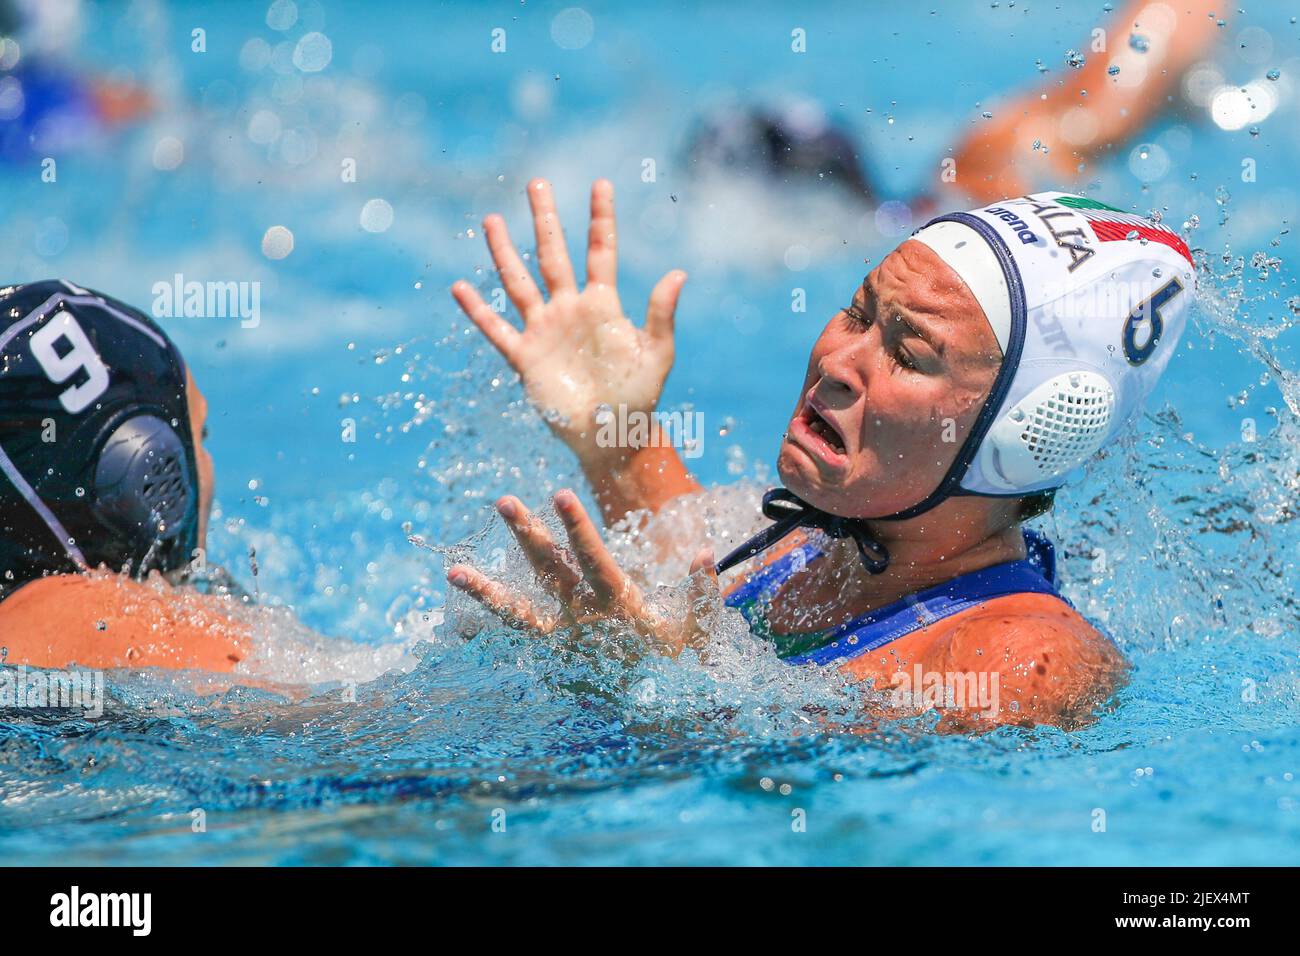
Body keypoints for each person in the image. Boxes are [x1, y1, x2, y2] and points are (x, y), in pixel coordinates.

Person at [445, 177, 1196, 729]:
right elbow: (672, 566)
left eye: (907, 352)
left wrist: (653, 690)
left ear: (1023, 434)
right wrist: (613, 428)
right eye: (858, 312)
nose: (839, 359)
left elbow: (821, 802)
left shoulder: (1020, 660)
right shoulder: (815, 542)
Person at [687, 0, 1223, 211]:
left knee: (1095, 112)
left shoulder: (979, 175)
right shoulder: (969, 170)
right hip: (981, 174)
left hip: (1000, 171)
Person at [0, 280, 247, 670]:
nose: (209, 464)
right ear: (147, 467)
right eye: (199, 436)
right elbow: (341, 714)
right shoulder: (114, 623)